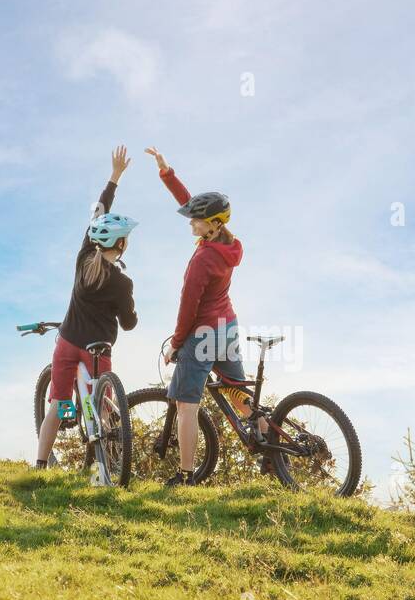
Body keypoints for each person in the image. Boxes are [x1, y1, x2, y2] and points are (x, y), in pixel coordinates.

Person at [144, 146, 266, 486]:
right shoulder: (228, 244)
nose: (191, 221)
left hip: (202, 335)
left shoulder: (202, 261)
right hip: (227, 327)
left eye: (196, 219)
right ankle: (272, 451)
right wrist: (167, 173)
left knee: (186, 405)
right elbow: (191, 203)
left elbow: (188, 309)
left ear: (211, 225)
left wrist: (176, 344)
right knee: (239, 395)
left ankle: (186, 477)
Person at [35, 146, 138, 468]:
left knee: (59, 404)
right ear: (121, 244)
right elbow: (129, 323)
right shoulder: (122, 282)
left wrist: (114, 177)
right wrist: (130, 310)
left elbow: (99, 211)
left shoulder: (84, 258)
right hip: (96, 352)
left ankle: (40, 463)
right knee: (103, 407)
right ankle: (107, 463)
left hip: (67, 344)